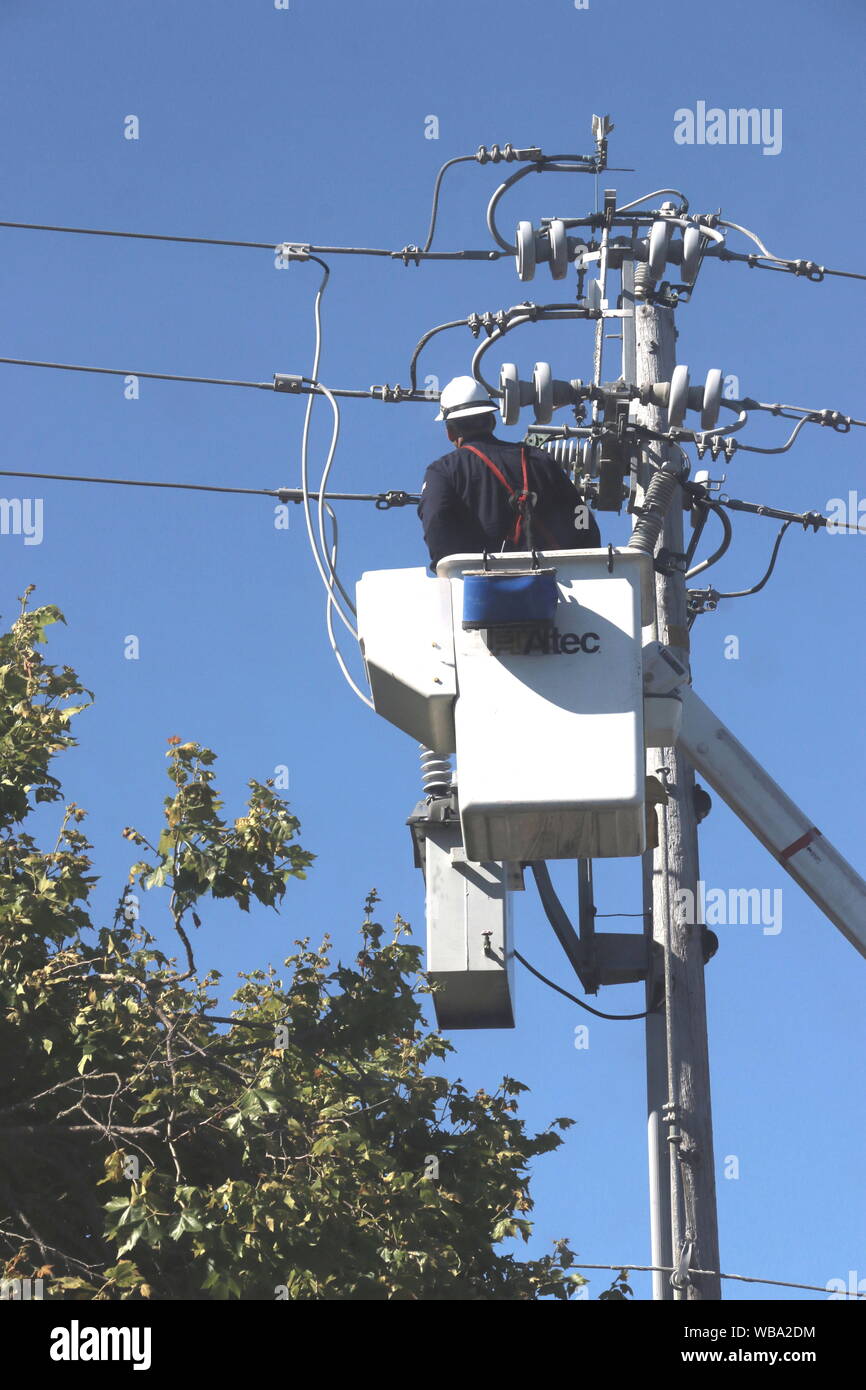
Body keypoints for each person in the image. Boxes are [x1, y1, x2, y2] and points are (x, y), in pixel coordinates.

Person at [418, 376, 600, 570]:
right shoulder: (539, 460)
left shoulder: (442, 471)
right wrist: (582, 567)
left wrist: (452, 571)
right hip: (549, 587)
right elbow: (581, 517)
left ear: (450, 432)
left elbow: (436, 520)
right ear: (492, 421)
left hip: (480, 590)